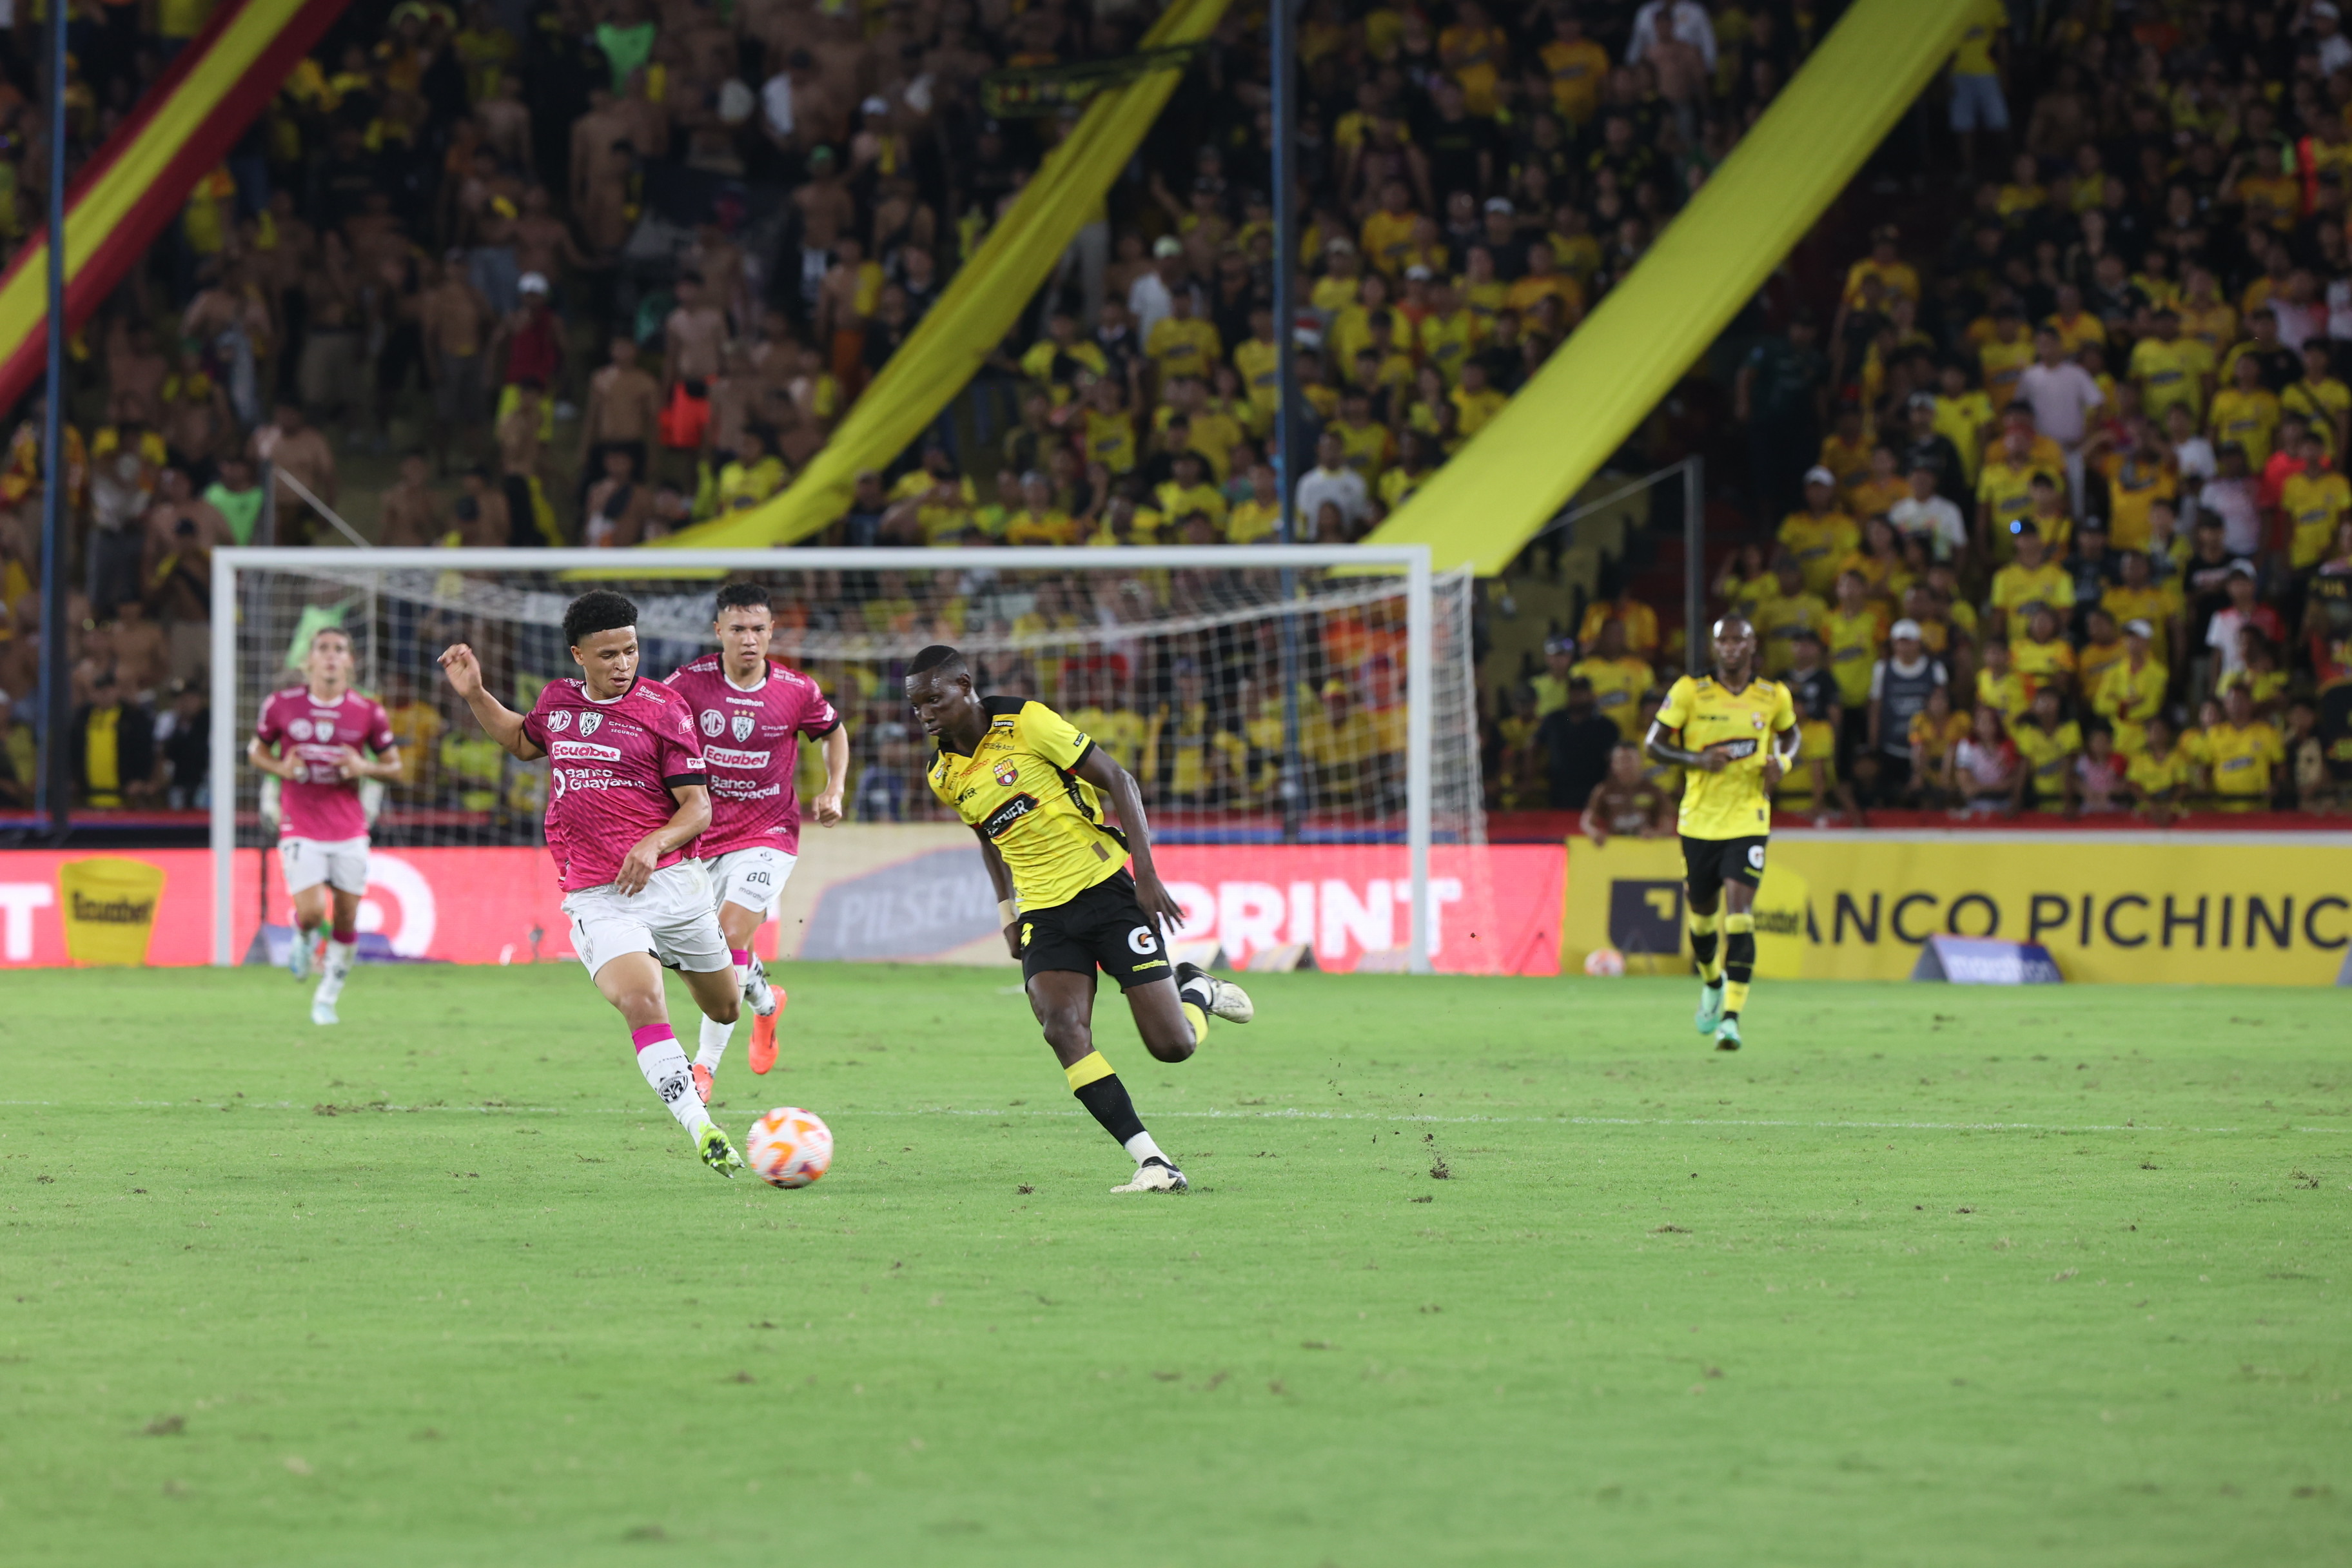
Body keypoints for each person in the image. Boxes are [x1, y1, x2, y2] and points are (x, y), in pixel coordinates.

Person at [905, 643, 1254, 1194]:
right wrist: (1007, 911)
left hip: (1105, 890)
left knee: (1173, 1047)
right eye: (916, 706)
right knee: (1062, 1028)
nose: (925, 714)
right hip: (1044, 913)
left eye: (934, 699)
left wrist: (1145, 874)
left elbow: (1120, 779)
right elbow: (988, 839)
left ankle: (1198, 989)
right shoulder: (943, 774)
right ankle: (1153, 1162)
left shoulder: (1026, 721)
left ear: (965, 685)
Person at [438, 590, 750, 1178]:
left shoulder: (666, 709)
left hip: (674, 885)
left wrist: (653, 843)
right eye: (608, 655)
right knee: (640, 999)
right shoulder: (557, 701)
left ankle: (707, 971)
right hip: (601, 895)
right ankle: (701, 1127)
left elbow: (698, 808)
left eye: (631, 650)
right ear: (578, 655)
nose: (623, 664)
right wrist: (476, 694)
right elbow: (520, 742)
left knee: (726, 1007)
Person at [661, 582, 851, 1092]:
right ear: (718, 630)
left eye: (759, 629)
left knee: (729, 935)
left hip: (770, 832)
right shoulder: (688, 683)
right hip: (703, 834)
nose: (749, 639)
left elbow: (833, 732)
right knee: (703, 948)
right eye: (738, 629)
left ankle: (704, 1067)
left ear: (772, 632)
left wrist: (834, 788)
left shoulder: (796, 690)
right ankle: (766, 1002)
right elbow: (651, 728)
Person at [1643, 615, 1798, 1052]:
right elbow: (1653, 744)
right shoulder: (1689, 691)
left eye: (1738, 640)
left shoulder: (1773, 695)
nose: (1731, 648)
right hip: (1699, 821)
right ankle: (1713, 982)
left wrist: (1783, 763)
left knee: (1740, 914)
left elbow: (1792, 736)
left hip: (1749, 819)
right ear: (1715, 647)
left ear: (1752, 646)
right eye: (1723, 641)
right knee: (1702, 917)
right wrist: (1695, 760)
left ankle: (1731, 1019)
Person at [246, 627, 402, 1025]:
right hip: (300, 824)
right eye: (323, 649)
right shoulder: (282, 705)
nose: (331, 656)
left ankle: (326, 999)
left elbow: (395, 768)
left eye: (339, 649)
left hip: (349, 828)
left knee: (347, 917)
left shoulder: (368, 711)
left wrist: (363, 766)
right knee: (314, 912)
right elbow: (256, 751)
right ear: (309, 660)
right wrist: (282, 769)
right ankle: (303, 934)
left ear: (350, 661)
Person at [1579, 741, 1671, 846]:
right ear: (1613, 764)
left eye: (1629, 759)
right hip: (1616, 847)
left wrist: (1655, 834)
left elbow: (1667, 825)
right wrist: (1594, 833)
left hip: (1646, 847)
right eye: (1621, 760)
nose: (1625, 765)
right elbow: (1587, 821)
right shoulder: (1605, 790)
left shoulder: (1654, 791)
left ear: (1640, 761)